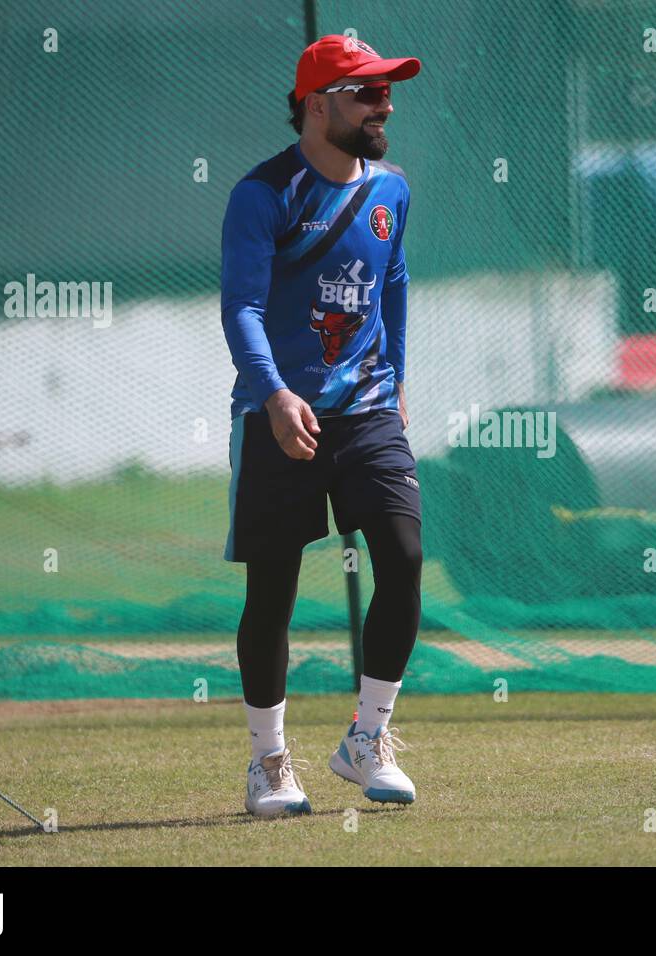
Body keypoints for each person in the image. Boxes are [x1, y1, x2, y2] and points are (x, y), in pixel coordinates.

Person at [220, 35, 423, 817]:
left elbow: (394, 279)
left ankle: (366, 739)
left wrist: (398, 379)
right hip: (280, 417)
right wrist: (272, 396)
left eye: (386, 90)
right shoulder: (262, 193)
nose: (385, 104)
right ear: (318, 104)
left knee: (402, 556)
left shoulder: (393, 189)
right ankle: (269, 763)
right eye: (367, 91)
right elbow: (240, 305)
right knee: (273, 594)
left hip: (368, 409)